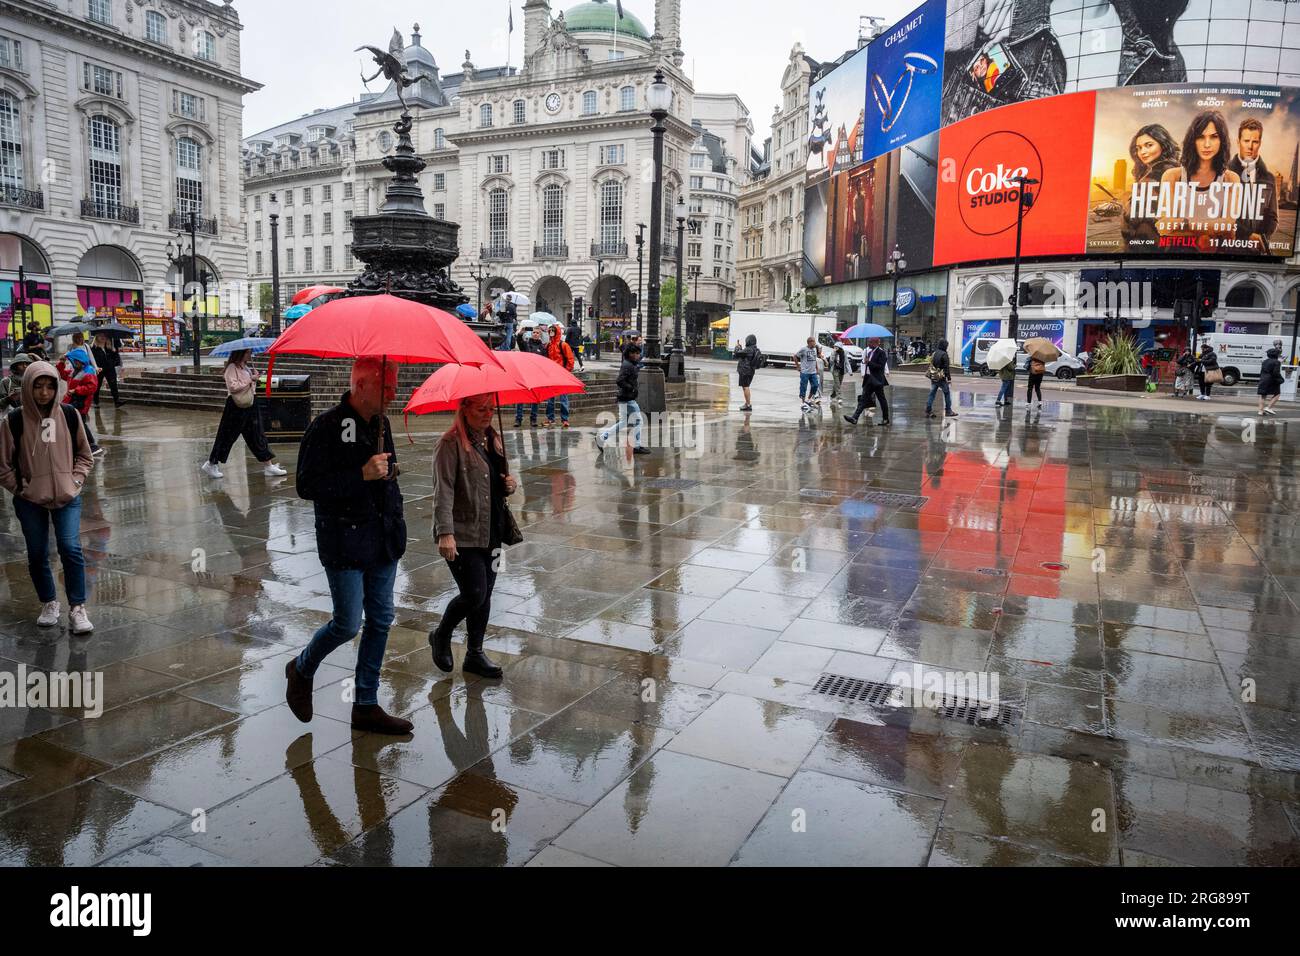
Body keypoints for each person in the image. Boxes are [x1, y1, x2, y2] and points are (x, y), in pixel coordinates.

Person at [285, 357, 414, 736]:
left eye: (393, 386)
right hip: (344, 540)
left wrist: (390, 472)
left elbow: (385, 473)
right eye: (386, 386)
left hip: (383, 537)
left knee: (380, 619)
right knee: (346, 623)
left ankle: (366, 704)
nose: (393, 394)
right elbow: (307, 485)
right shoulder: (325, 426)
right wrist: (361, 474)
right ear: (361, 386)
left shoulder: (381, 423)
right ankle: (301, 667)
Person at [0, 360, 95, 634]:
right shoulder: (14, 420)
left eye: (49, 386)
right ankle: (49, 602)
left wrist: (75, 480)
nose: (44, 393)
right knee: (38, 552)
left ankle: (77, 607)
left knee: (71, 548)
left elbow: (84, 454)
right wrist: (21, 489)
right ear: (28, 387)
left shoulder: (68, 414)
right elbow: (3, 464)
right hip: (30, 500)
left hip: (67, 496)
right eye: (38, 386)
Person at [428, 394, 519, 680]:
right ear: (464, 409)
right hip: (463, 532)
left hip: (491, 530)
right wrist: (445, 533)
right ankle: (441, 634)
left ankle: (474, 654)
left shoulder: (491, 439)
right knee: (474, 593)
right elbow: (443, 491)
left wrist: (508, 484)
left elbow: (493, 485)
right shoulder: (450, 443)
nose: (488, 414)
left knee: (486, 594)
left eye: (491, 408)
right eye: (481, 409)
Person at [1159, 111, 1241, 252]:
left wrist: (1183, 224)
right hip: (1177, 255)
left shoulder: (1231, 179)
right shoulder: (1172, 176)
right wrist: (1212, 228)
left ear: (1222, 141)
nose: (1207, 144)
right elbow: (1165, 228)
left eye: (1214, 137)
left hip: (1218, 257)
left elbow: (1228, 226)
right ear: (1192, 140)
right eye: (1201, 137)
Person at [201, 349, 287, 479]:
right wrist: (250, 380)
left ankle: (268, 465)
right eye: (247, 352)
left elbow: (248, 385)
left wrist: (255, 378)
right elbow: (233, 387)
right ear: (240, 353)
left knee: (257, 435)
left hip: (250, 403)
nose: (250, 355)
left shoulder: (246, 367)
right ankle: (211, 463)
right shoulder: (231, 367)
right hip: (236, 406)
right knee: (227, 436)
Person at [1121, 124, 1180, 247]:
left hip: (1149, 246)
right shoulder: (1177, 171)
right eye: (1139, 148)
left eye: (1149, 145)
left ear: (1163, 145)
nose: (1142, 152)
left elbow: (1131, 218)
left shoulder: (1156, 174)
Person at [1228, 118, 1278, 254]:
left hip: (1258, 250)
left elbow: (1272, 217)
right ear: (1238, 142)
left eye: (1255, 142)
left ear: (1260, 143)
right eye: (1246, 141)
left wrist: (1262, 237)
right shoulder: (1224, 173)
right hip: (1229, 249)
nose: (1250, 146)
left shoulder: (1269, 178)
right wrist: (1247, 235)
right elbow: (1218, 214)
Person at [597, 343, 649, 454]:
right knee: (638, 421)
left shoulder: (630, 364)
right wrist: (632, 389)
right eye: (636, 353)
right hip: (627, 399)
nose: (638, 355)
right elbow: (619, 380)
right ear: (630, 354)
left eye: (638, 353)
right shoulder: (628, 365)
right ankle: (636, 446)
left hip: (625, 398)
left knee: (624, 422)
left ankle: (602, 437)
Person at [57, 348, 103, 457]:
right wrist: (61, 362)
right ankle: (82, 445)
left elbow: (92, 387)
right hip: (72, 401)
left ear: (82, 360)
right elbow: (61, 374)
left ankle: (92, 446)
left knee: (80, 424)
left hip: (81, 403)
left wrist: (76, 390)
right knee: (77, 423)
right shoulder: (74, 371)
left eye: (77, 361)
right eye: (74, 361)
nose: (75, 363)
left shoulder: (89, 371)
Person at [844, 337, 890, 427]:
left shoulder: (881, 353)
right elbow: (866, 365)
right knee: (863, 399)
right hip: (869, 379)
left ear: (875, 343)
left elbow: (880, 367)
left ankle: (885, 418)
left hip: (877, 380)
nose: (868, 344)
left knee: (881, 400)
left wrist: (869, 362)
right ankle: (855, 418)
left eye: (870, 342)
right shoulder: (869, 352)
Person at [543, 324, 576, 428]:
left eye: (553, 330)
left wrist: (566, 372)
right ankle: (550, 418)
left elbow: (570, 360)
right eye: (550, 330)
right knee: (550, 399)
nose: (551, 332)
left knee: (563, 399)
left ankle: (564, 419)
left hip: (561, 375)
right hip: (551, 375)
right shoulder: (548, 345)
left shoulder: (563, 345)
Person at [513, 328, 545, 426]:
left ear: (540, 335)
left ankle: (533, 419)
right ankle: (518, 419)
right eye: (534, 332)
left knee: (535, 398)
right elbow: (519, 341)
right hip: (525, 374)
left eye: (537, 333)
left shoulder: (542, 347)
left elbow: (545, 361)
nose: (535, 334)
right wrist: (520, 334)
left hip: (536, 375)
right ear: (531, 334)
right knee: (521, 397)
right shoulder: (526, 344)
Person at [925, 338, 957, 419]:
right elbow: (946, 368)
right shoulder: (944, 354)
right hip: (941, 377)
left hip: (934, 376)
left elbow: (931, 363)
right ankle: (948, 411)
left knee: (932, 393)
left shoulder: (935, 353)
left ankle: (928, 410)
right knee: (947, 393)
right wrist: (949, 378)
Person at [91, 333, 124, 408]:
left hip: (110, 368)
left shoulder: (109, 347)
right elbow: (92, 360)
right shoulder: (93, 348)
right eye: (100, 336)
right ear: (96, 338)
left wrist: (114, 351)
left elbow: (116, 358)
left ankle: (117, 401)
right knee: (97, 385)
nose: (103, 337)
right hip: (99, 369)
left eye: (104, 336)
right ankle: (96, 402)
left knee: (113, 384)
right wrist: (95, 368)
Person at [795, 337, 823, 412]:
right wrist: (798, 366)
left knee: (815, 385)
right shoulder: (803, 349)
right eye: (813, 342)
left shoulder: (814, 349)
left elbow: (814, 359)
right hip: (805, 372)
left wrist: (816, 368)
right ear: (809, 342)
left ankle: (808, 399)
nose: (815, 343)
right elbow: (795, 356)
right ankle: (803, 402)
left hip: (813, 372)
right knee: (803, 387)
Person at [736, 333, 761, 411]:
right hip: (751, 370)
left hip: (745, 371)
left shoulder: (748, 349)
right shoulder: (755, 349)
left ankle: (748, 404)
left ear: (749, 340)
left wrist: (737, 348)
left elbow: (737, 354)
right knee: (746, 387)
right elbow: (743, 354)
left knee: (745, 387)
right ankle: (747, 403)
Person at [1257, 347, 1284, 417]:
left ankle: (1260, 411)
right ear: (1276, 355)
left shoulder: (1265, 361)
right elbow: (1276, 373)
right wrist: (1281, 379)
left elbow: (1262, 371)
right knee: (1277, 394)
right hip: (1271, 380)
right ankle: (1269, 407)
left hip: (1263, 379)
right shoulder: (1277, 362)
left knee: (1263, 395)